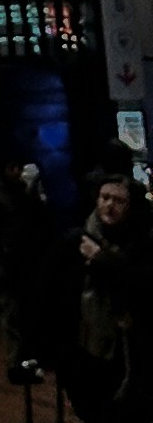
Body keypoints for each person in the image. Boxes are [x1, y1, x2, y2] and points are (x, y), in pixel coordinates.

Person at [66, 173, 153, 420]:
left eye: (118, 200)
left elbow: (143, 281)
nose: (109, 205)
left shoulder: (143, 240)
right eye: (104, 198)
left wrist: (102, 259)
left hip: (134, 346)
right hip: (92, 345)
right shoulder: (81, 238)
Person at [0, 163, 66, 386]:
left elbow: (42, 222)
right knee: (11, 314)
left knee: (29, 312)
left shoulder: (26, 191)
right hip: (9, 263)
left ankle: (31, 358)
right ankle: (14, 363)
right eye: (12, 168)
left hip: (30, 261)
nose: (17, 173)